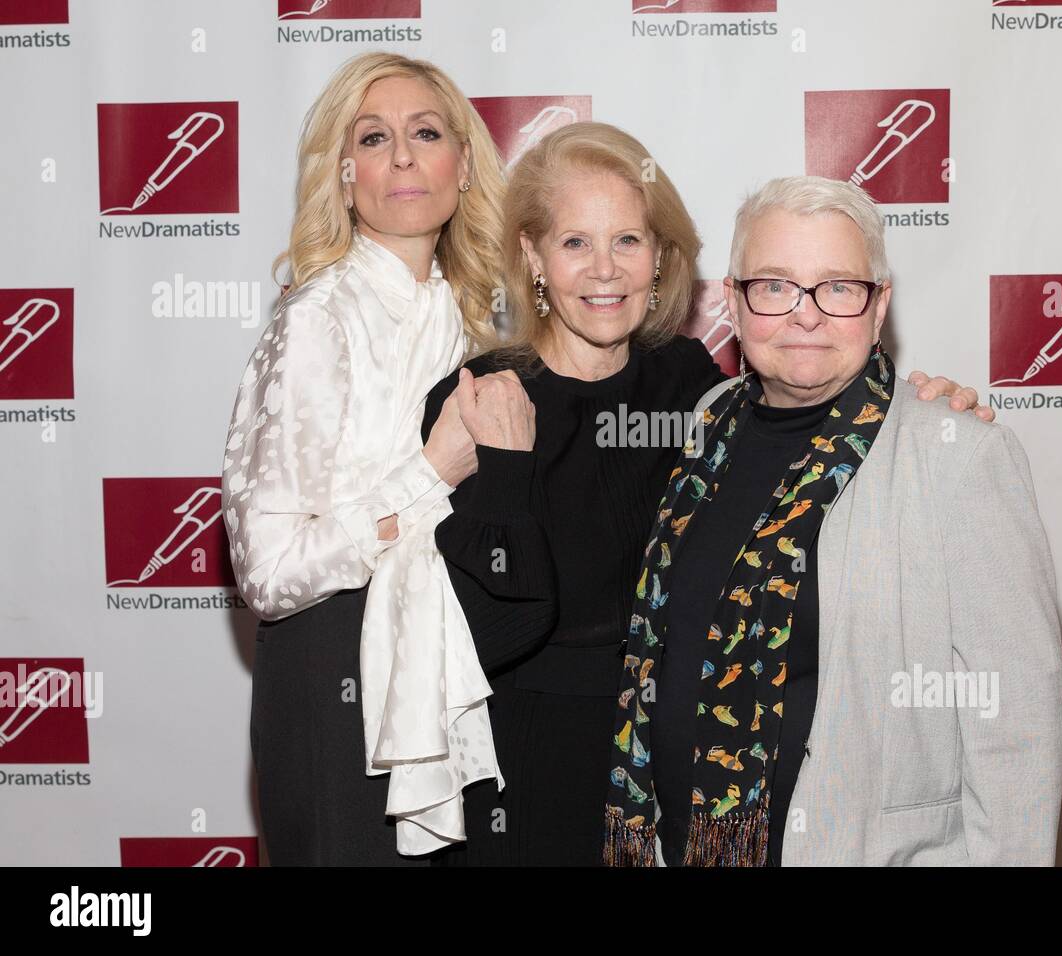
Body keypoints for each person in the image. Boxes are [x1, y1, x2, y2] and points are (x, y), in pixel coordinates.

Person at [422, 124, 992, 865]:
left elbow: (821, 409)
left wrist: (927, 403)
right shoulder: (482, 398)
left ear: (661, 258)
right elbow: (472, 635)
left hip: (681, 782)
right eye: (574, 244)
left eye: (628, 240)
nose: (605, 270)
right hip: (529, 770)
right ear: (532, 255)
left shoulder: (695, 389)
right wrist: (504, 469)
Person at [604, 176, 1062, 867]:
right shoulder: (707, 423)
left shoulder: (958, 456)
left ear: (880, 306)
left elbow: (1020, 728)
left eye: (838, 287)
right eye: (775, 286)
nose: (806, 315)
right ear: (732, 301)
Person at [221, 52, 507, 865]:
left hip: (455, 667)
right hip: (332, 669)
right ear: (345, 177)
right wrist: (430, 472)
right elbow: (270, 571)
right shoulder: (319, 319)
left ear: (463, 165)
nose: (405, 156)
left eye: (426, 132)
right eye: (375, 138)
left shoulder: (480, 323)